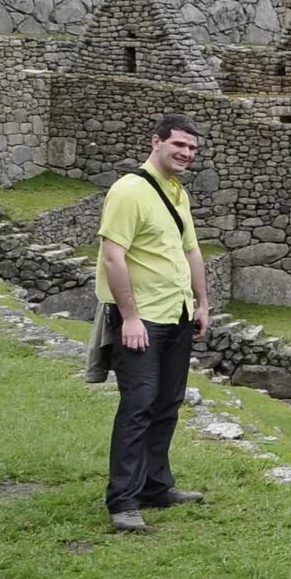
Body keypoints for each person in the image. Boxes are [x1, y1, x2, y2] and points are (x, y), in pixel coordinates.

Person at [96, 113, 212, 534]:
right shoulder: (129, 191)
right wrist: (129, 317)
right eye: (178, 144)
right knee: (138, 406)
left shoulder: (178, 193)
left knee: (167, 404)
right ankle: (123, 501)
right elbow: (114, 257)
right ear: (156, 142)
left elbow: (192, 251)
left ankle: (155, 485)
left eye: (192, 148)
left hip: (177, 313)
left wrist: (202, 303)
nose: (185, 153)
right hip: (142, 319)